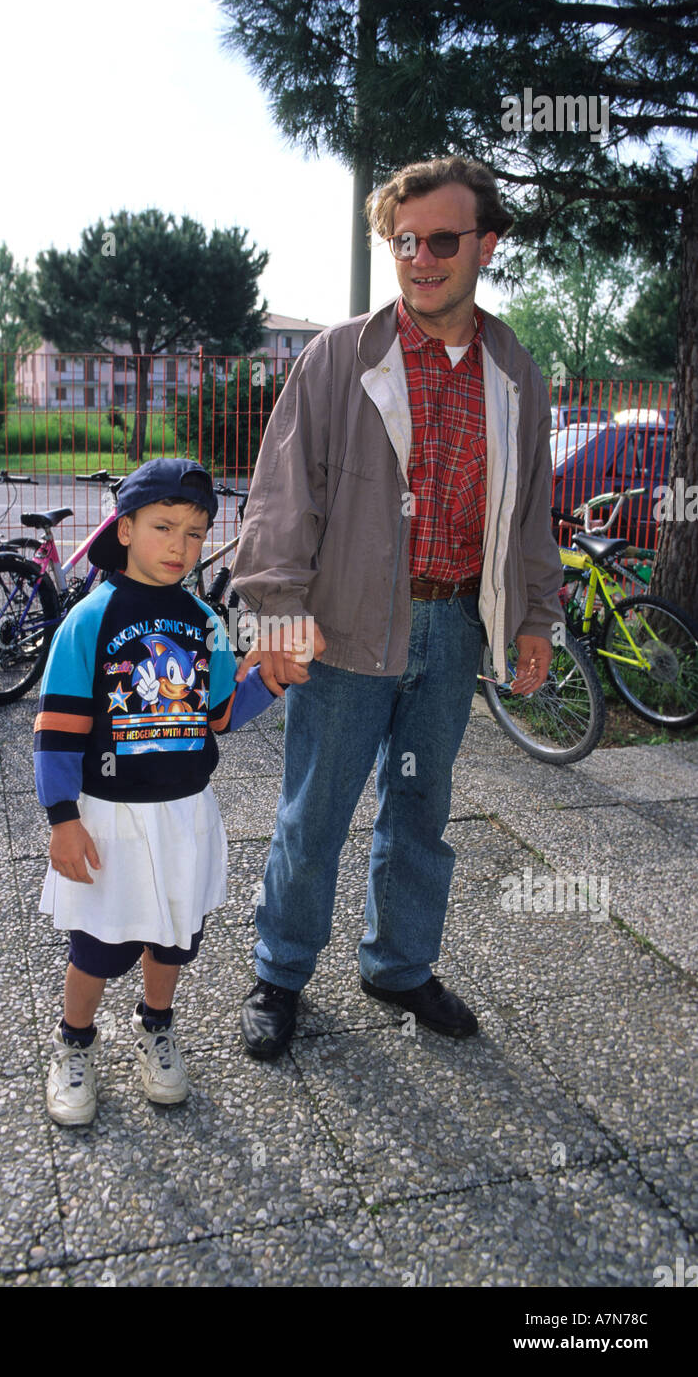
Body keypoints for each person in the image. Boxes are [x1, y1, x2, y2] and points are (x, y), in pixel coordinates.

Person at [232, 155, 565, 1058]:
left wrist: (534, 619)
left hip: (452, 629)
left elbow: (531, 509)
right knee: (316, 811)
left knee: (419, 809)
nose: (420, 258)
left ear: (486, 246)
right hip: (342, 630)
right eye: (402, 241)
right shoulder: (340, 356)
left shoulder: (514, 371)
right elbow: (279, 495)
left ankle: (399, 966)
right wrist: (271, 612)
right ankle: (280, 970)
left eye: (441, 240)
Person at [35, 458, 278, 1125]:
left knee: (172, 938)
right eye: (163, 527)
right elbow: (55, 731)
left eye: (195, 533)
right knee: (98, 947)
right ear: (124, 529)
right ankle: (74, 1043)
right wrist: (62, 819)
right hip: (107, 817)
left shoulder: (204, 620)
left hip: (183, 816)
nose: (179, 546)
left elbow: (220, 714)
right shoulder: (89, 620)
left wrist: (273, 680)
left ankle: (155, 1026)